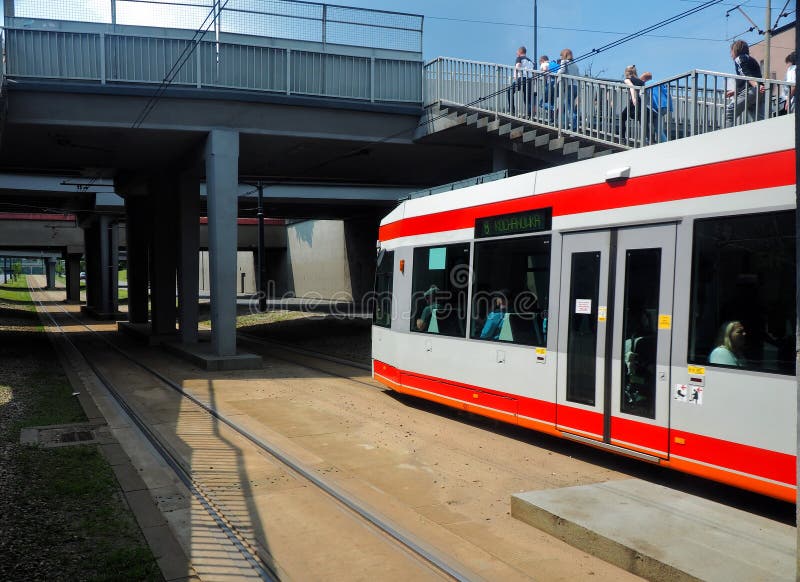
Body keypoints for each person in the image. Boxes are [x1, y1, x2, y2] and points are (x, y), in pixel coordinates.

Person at [725, 40, 765, 126]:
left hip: (752, 90)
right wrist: (736, 91)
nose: (730, 54)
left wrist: (756, 85)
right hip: (758, 92)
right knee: (759, 119)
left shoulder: (739, 59)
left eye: (731, 51)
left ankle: (726, 136)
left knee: (729, 112)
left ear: (735, 50)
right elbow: (747, 80)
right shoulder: (750, 59)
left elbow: (745, 74)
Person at [620, 65, 644, 142]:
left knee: (622, 117)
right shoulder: (641, 81)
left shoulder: (627, 80)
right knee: (641, 119)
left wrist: (633, 98)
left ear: (627, 72)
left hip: (634, 101)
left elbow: (632, 87)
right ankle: (646, 138)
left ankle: (622, 137)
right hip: (641, 101)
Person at [557, 48, 580, 130]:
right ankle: (564, 123)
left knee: (569, 108)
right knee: (567, 106)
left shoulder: (564, 62)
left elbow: (562, 70)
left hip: (569, 86)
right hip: (576, 87)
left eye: (561, 55)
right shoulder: (575, 64)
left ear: (564, 55)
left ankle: (574, 128)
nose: (560, 57)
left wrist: (556, 73)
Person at [508, 46, 535, 116]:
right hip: (529, 80)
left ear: (520, 52)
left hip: (521, 78)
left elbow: (518, 66)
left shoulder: (519, 58)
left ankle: (512, 110)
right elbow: (533, 73)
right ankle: (529, 114)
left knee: (510, 91)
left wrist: (515, 78)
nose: (516, 53)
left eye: (517, 51)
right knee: (527, 97)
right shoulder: (530, 61)